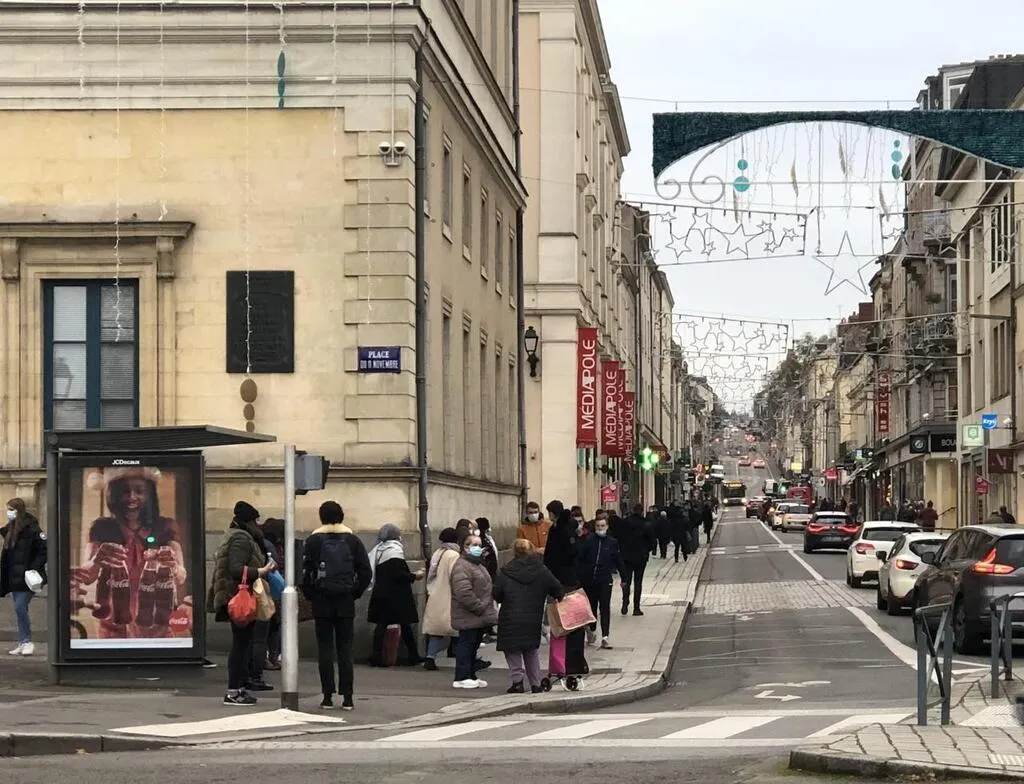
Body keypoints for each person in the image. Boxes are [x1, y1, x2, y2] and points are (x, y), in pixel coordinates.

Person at [71, 467, 187, 642]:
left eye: (139, 491)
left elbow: (181, 576)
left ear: (149, 495)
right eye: (125, 491)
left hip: (157, 619)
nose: (132, 497)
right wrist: (96, 560)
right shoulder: (102, 527)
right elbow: (87, 576)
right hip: (114, 619)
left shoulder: (165, 526)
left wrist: (172, 566)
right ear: (114, 494)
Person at [301, 501, 372, 710]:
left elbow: (304, 573)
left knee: (325, 650)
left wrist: (312, 595)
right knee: (345, 650)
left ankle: (327, 696)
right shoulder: (353, 541)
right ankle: (348, 697)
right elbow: (366, 573)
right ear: (342, 516)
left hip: (322, 602)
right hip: (345, 602)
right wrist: (354, 592)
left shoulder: (313, 541)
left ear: (321, 517)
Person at [209, 500, 275, 707]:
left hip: (234, 596)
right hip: (239, 599)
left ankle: (239, 688)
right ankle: (233, 691)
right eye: (256, 520)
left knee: (243, 644)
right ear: (250, 521)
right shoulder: (241, 538)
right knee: (240, 646)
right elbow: (237, 569)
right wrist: (262, 571)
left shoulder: (236, 535)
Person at [493, 539, 564, 693]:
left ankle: (517, 682)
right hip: (533, 617)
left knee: (513, 650)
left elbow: (496, 593)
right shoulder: (541, 570)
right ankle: (536, 683)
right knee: (531, 649)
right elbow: (558, 589)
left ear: (514, 552)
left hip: (510, 617)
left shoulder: (507, 571)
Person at [367, 524, 424, 667]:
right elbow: (398, 574)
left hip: (381, 593)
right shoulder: (394, 551)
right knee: (405, 625)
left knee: (381, 626)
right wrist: (415, 576)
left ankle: (376, 656)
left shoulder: (379, 550)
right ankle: (413, 656)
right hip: (396, 596)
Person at [450, 534, 498, 689]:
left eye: (479, 544)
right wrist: (479, 607)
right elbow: (463, 591)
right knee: (466, 645)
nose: (478, 548)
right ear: (466, 547)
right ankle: (462, 677)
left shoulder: (477, 564)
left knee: (473, 645)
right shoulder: (462, 565)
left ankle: (471, 674)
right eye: (474, 545)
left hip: (478, 616)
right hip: (469, 614)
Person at [0, 499, 47, 656]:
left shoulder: (32, 529)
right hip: (14, 578)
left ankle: (27, 641)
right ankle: (22, 641)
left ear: (18, 510)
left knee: (20, 607)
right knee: (20, 610)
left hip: (28, 578)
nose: (9, 512)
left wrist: (33, 568)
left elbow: (43, 551)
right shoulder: (10, 530)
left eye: (11, 509)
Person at [575, 515, 621, 648]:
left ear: (607, 527)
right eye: (598, 526)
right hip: (590, 580)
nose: (600, 528)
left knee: (605, 607)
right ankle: (592, 630)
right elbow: (581, 558)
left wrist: (624, 577)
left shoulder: (612, 542)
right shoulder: (589, 541)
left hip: (605, 580)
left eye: (602, 526)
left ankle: (605, 636)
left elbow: (617, 559)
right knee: (592, 607)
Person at [422, 527, 461, 671]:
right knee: (457, 626)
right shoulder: (453, 555)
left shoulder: (438, 552)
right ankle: (460, 656)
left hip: (436, 593)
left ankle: (430, 657)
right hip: (449, 594)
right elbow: (455, 575)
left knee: (437, 629)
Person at [612, 504, 654, 616]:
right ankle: (636, 608)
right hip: (641, 557)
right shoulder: (646, 524)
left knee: (626, 580)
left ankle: (625, 602)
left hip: (626, 556)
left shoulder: (624, 523)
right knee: (638, 582)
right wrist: (646, 550)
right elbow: (652, 541)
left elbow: (618, 537)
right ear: (642, 511)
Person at [259, 517, 287, 670]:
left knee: (268, 627)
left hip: (267, 589)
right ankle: (273, 657)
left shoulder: (265, 543)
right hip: (274, 590)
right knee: (273, 627)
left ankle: (268, 658)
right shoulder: (276, 546)